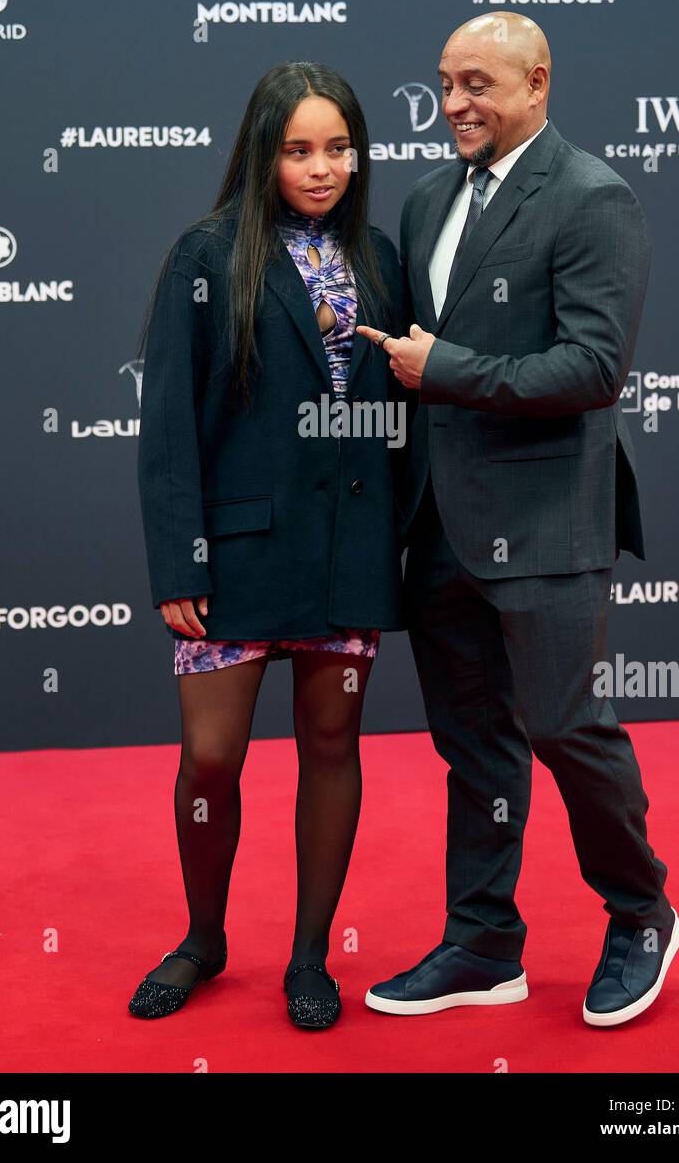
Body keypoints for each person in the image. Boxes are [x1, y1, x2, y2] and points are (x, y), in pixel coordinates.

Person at [358, 12, 679, 1027]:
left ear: (536, 81)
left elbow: (592, 367)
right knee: (473, 746)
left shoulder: (591, 196)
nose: (453, 104)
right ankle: (482, 942)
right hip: (439, 521)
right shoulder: (422, 201)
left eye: (476, 84)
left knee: (560, 723)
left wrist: (442, 370)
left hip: (545, 512)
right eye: (444, 84)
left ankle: (639, 912)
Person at [130, 61, 410, 1029]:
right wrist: (178, 560)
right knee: (210, 758)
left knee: (330, 744)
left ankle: (307, 957)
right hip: (238, 552)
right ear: (262, 151)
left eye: (338, 147)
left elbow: (399, 408)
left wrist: (399, 545)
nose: (321, 166)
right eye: (298, 149)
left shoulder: (377, 253)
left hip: (346, 553)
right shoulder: (204, 256)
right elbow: (166, 423)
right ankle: (204, 939)